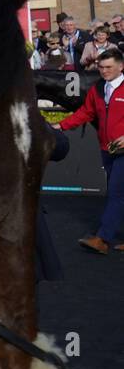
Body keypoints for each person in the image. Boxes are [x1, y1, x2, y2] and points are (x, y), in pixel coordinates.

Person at [55, 48, 124, 254]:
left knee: (116, 193)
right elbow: (87, 112)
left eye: (109, 67)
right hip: (107, 148)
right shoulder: (98, 88)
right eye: (101, 67)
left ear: (121, 66)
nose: (104, 71)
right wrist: (61, 126)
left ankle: (102, 238)